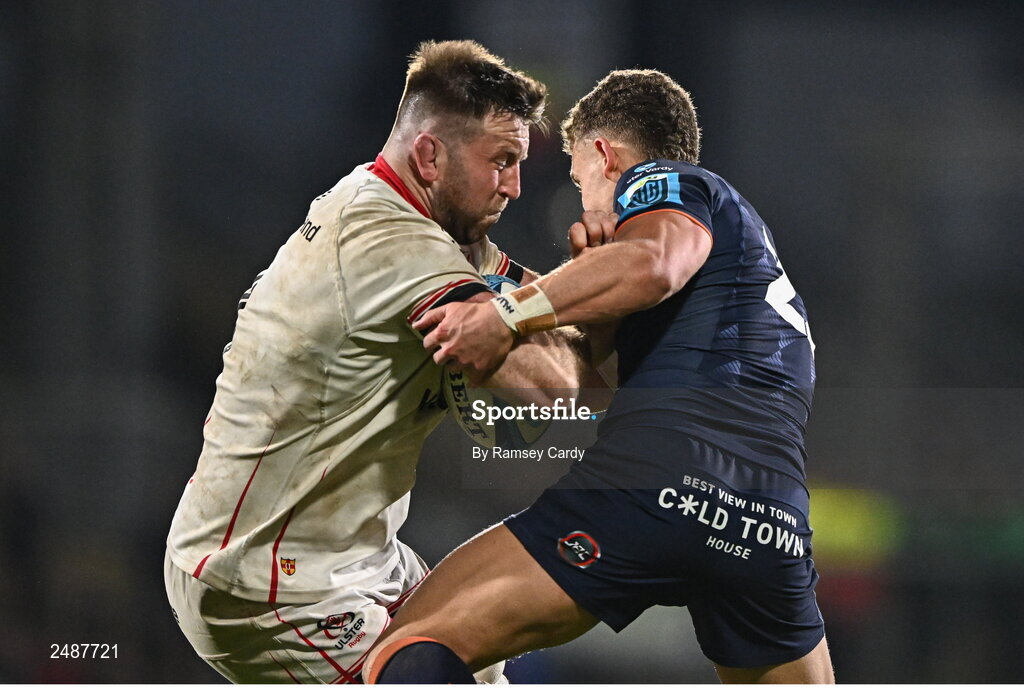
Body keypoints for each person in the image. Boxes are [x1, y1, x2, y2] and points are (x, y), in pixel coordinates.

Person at [363, 69, 834, 684]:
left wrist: (506, 314)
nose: (585, 201)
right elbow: (598, 383)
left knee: (412, 643)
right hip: (772, 525)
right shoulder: (745, 253)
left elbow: (653, 262)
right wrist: (595, 289)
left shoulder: (670, 182)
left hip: (659, 484)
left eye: (581, 180)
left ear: (605, 156)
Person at [164, 40, 606, 684]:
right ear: (430, 155)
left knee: (485, 670)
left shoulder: (442, 234)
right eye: (502, 161)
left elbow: (555, 310)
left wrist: (598, 291)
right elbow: (554, 390)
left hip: (355, 558)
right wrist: (623, 326)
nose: (514, 184)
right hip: (266, 584)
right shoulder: (391, 243)